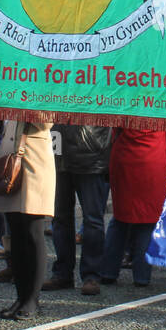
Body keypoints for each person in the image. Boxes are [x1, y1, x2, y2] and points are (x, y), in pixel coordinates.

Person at [0, 120, 56, 320]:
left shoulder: (46, 86)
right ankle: (20, 297)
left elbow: (46, 119)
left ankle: (32, 300)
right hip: (11, 159)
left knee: (33, 232)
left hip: (33, 160)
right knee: (16, 234)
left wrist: (23, 100)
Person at [44, 124, 111, 296]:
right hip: (60, 151)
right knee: (60, 218)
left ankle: (91, 275)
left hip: (91, 152)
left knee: (92, 219)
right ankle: (63, 273)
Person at [100, 129, 166, 288]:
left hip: (124, 159)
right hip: (154, 159)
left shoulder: (125, 103)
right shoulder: (162, 104)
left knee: (120, 219)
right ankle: (142, 276)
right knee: (147, 222)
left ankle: (108, 272)